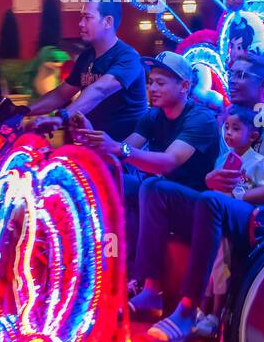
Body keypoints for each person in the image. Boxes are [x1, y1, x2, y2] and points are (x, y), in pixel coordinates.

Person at [130, 49, 264, 342]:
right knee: (153, 188)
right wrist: (211, 180)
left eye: (243, 75)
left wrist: (240, 196)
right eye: (232, 73)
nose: (233, 80)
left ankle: (186, 309)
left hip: (262, 212)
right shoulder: (229, 120)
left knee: (211, 201)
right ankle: (150, 290)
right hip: (224, 203)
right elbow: (216, 175)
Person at [75, 50, 219, 258]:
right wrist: (89, 135)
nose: (152, 89)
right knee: (116, 180)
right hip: (163, 196)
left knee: (152, 186)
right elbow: (121, 151)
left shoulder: (200, 119)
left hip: (198, 203)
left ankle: (147, 281)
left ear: (184, 86)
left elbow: (168, 163)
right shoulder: (153, 116)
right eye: (150, 82)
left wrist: (118, 148)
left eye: (160, 84)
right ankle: (111, 261)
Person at [194, 102, 264, 341]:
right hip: (220, 216)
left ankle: (215, 314)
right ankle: (200, 307)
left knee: (220, 251)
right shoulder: (222, 161)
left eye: (236, 129)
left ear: (253, 135)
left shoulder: (258, 162)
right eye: (226, 128)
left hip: (244, 218)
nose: (229, 133)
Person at [28, 0, 147, 140]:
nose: (81, 23)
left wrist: (62, 116)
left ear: (108, 22)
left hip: (124, 149)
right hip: (95, 145)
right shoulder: (86, 56)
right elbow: (60, 94)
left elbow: (100, 90)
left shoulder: (128, 57)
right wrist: (21, 112)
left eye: (88, 17)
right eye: (81, 17)